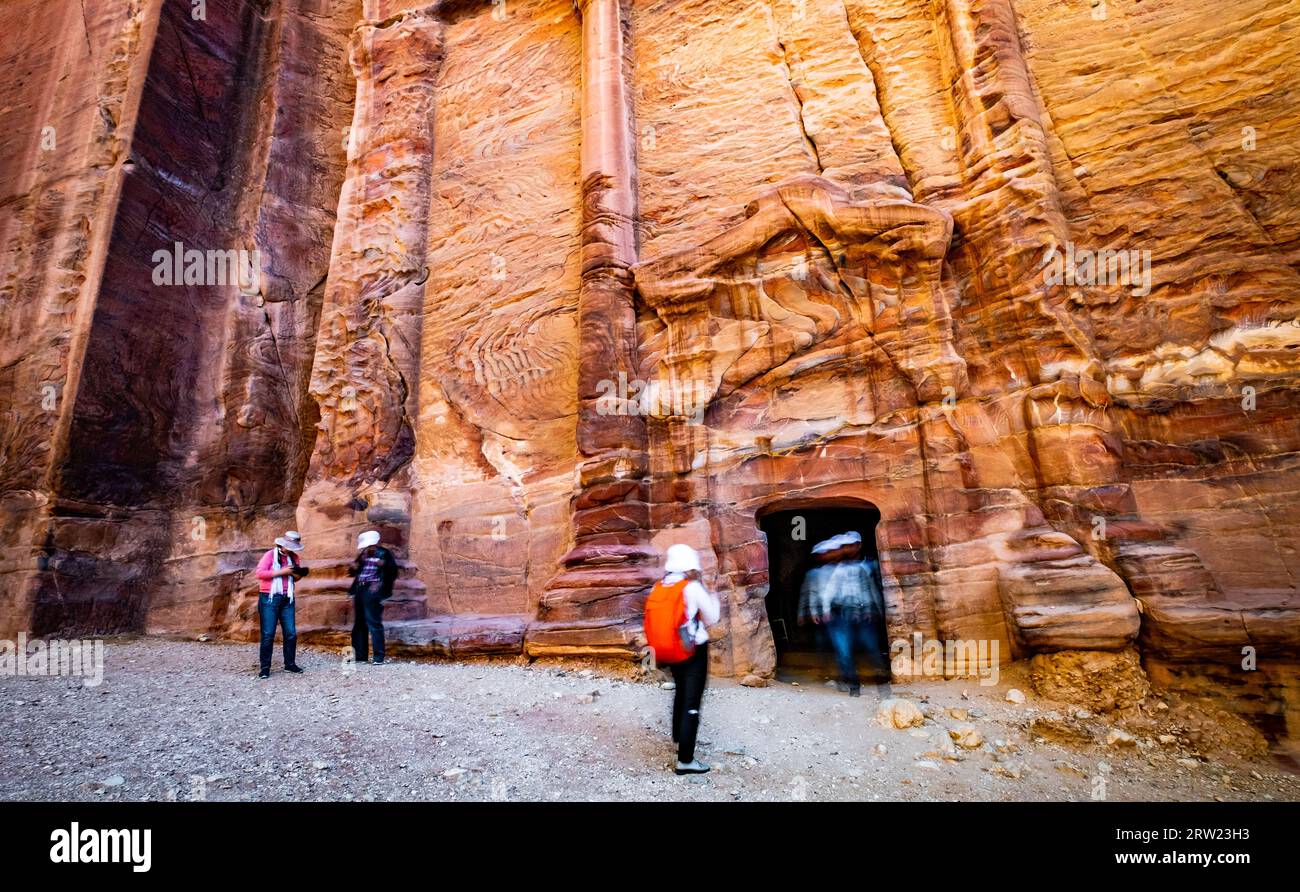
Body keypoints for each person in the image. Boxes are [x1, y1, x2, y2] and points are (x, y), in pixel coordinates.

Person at [660, 544, 720, 775]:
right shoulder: (691, 587)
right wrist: (712, 594)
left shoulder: (661, 586)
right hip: (694, 651)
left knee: (681, 693)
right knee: (692, 703)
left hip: (672, 649)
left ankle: (678, 738)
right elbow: (712, 617)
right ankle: (685, 760)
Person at [824, 531, 887, 696]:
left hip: (865, 613)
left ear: (859, 545)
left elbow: (872, 590)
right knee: (844, 651)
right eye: (846, 546)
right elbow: (830, 590)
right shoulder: (839, 568)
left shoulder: (867, 566)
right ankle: (854, 686)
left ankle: (883, 687)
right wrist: (826, 610)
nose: (849, 548)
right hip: (844, 613)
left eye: (852, 545)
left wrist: (877, 611)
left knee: (873, 649)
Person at [254, 531, 307, 679]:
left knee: (290, 633)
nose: (291, 549)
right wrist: (282, 571)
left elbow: (295, 579)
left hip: (287, 598)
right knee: (268, 634)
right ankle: (265, 667)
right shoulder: (270, 555)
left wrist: (295, 574)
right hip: (269, 597)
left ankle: (290, 664)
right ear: (282, 544)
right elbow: (260, 573)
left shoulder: (294, 557)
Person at [347, 530, 398, 665]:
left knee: (374, 622)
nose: (368, 548)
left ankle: (378, 657)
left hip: (373, 588)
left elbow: (393, 572)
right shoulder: (363, 554)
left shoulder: (384, 554)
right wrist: (353, 567)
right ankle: (360, 656)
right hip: (360, 588)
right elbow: (353, 572)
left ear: (375, 544)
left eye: (370, 546)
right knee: (359, 623)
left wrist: (384, 565)